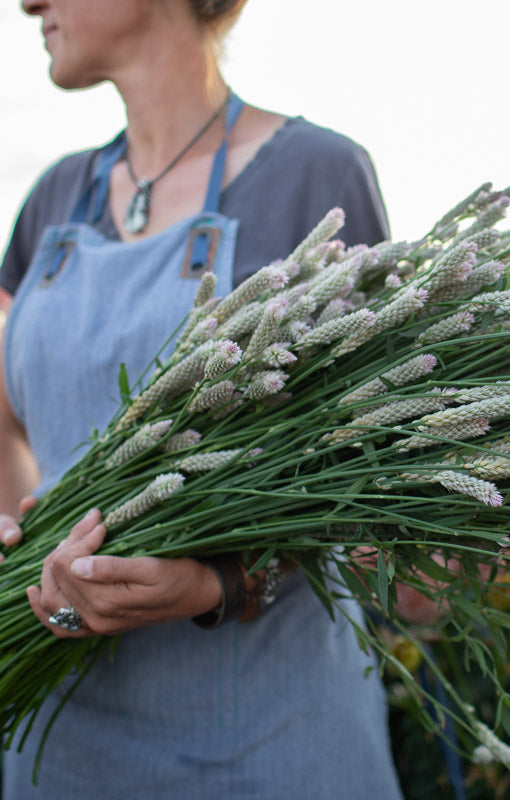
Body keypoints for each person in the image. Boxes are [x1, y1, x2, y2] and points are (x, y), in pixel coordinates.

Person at [0, 1, 404, 797]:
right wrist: (26, 545)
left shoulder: (315, 176)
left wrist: (223, 581)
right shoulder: (53, 199)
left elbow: (371, 469)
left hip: (264, 738)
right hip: (63, 742)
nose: (26, 3)